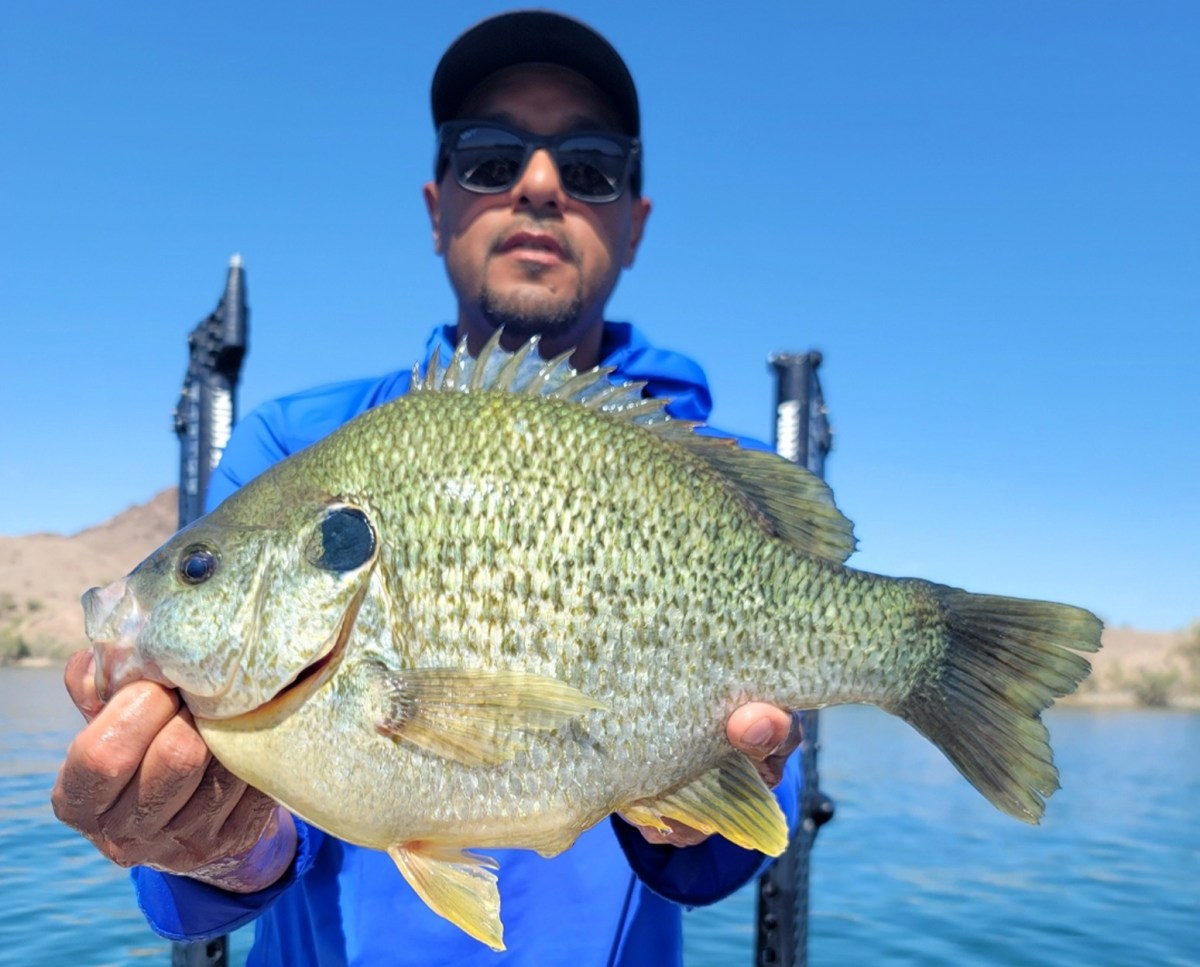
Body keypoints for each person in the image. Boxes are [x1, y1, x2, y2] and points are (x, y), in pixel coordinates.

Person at [53, 11, 803, 965]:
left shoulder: (704, 470)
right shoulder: (295, 446)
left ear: (634, 220)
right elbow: (273, 817)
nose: (538, 185)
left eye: (589, 167)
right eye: (490, 158)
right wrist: (221, 845)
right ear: (437, 204)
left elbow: (746, 824)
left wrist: (709, 812)